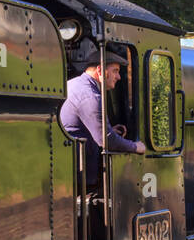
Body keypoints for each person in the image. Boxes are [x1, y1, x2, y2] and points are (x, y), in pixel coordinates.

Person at [59, 51, 145, 187]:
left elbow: (80, 126)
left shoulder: (73, 84)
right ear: (100, 70)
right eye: (115, 71)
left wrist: (110, 129)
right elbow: (106, 140)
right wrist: (135, 147)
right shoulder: (90, 96)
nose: (118, 77)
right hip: (77, 176)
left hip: (68, 169)